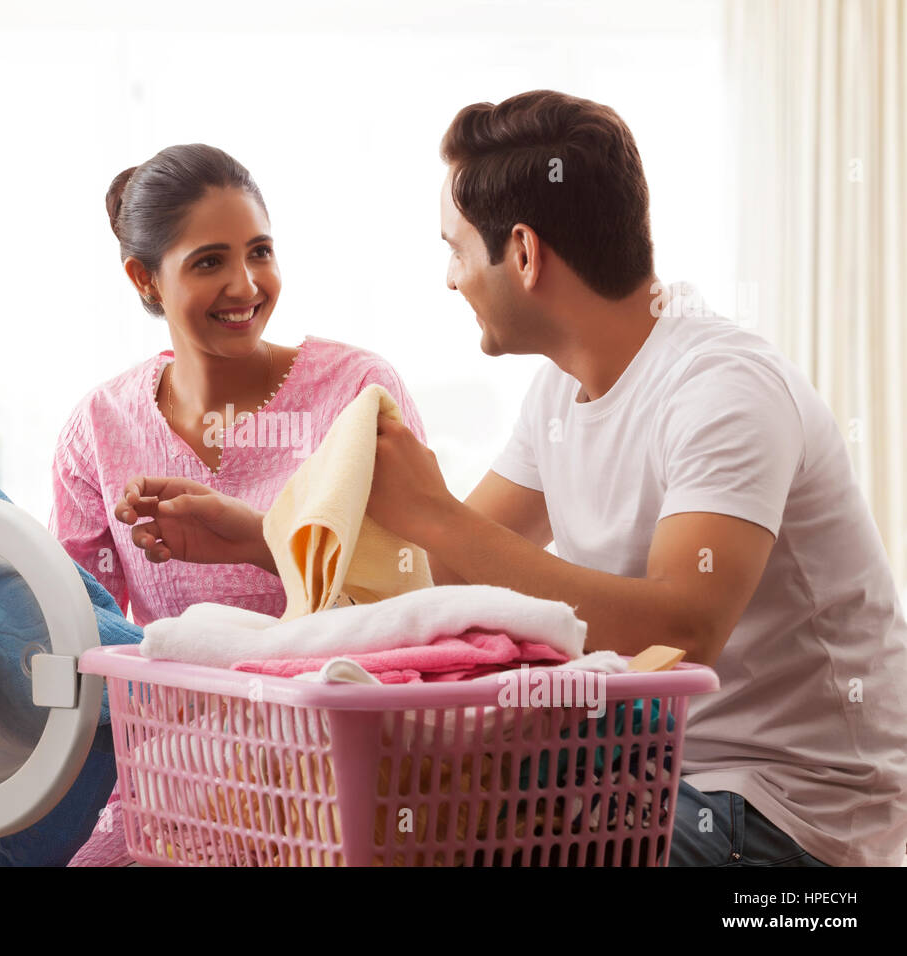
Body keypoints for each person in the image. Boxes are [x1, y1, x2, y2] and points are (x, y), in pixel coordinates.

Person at [116, 91, 907, 867]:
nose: (451, 279)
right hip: (650, 771)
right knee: (384, 810)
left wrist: (437, 514)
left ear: (523, 254)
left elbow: (684, 629)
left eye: (455, 250)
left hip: (786, 814)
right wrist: (264, 541)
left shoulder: (722, 389)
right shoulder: (562, 391)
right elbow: (445, 579)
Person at [51, 143, 427, 864]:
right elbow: (79, 629)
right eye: (208, 262)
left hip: (343, 777)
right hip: (178, 783)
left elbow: (411, 586)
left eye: (260, 252)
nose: (246, 285)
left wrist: (263, 539)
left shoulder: (355, 394)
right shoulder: (99, 427)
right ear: (145, 278)